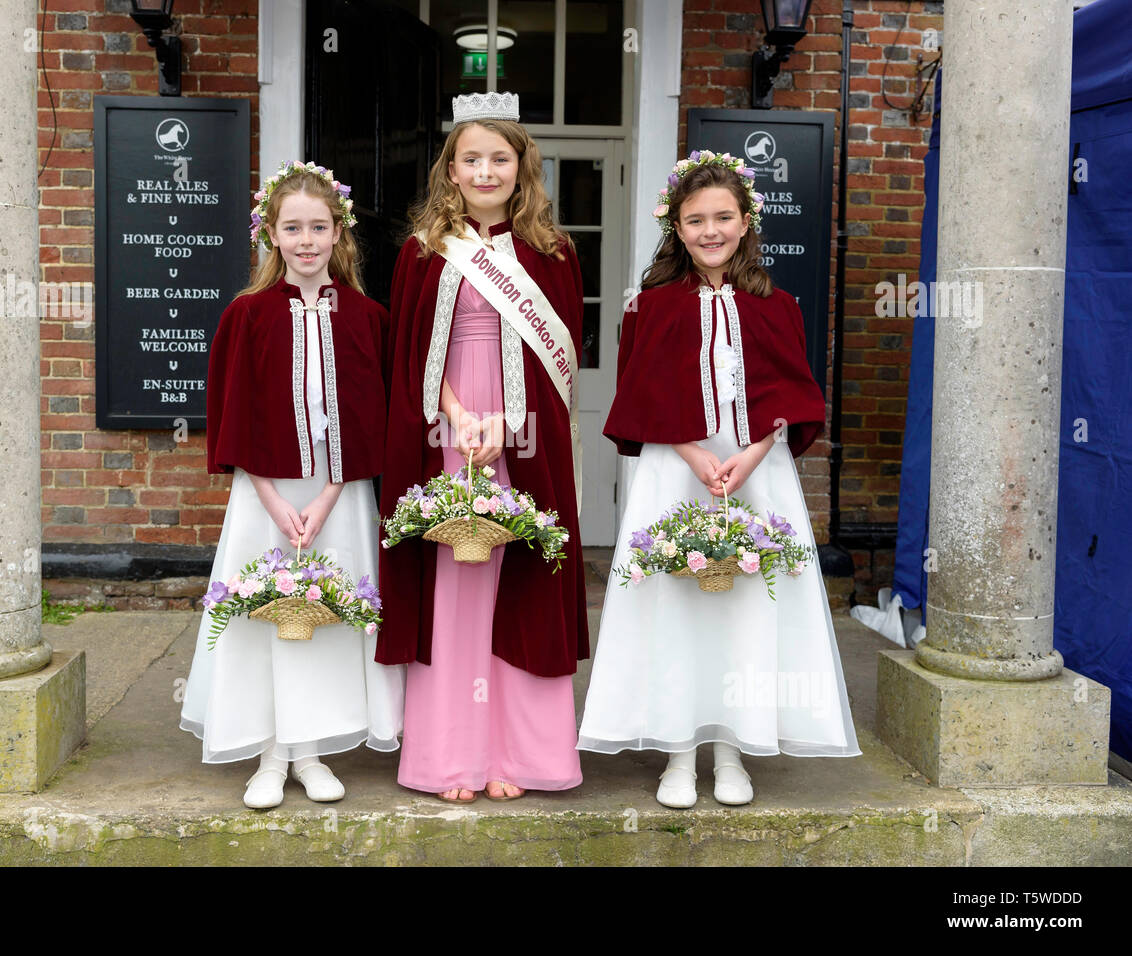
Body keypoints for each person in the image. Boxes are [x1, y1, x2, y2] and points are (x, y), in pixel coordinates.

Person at [577, 150, 861, 808]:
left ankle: (735, 746)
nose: (710, 231)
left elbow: (795, 393)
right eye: (695, 219)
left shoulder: (778, 305)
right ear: (676, 226)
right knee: (676, 603)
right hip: (675, 472)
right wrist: (691, 451)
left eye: (723, 217)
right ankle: (678, 750)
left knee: (745, 606)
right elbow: (640, 395)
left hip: (755, 471)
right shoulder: (650, 306)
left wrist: (757, 448)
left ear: (745, 222)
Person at [377, 92, 588, 803]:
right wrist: (458, 415)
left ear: (522, 167)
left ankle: (515, 758)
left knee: (520, 577)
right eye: (473, 158)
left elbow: (568, 357)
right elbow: (407, 356)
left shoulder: (555, 253)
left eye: (500, 157)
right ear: (453, 169)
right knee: (457, 579)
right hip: (449, 428)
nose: (486, 170)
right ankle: (450, 760)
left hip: (524, 437)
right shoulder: (421, 251)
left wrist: (512, 421)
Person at [180, 161, 406, 809]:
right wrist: (275, 499)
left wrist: (330, 492)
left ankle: (310, 751)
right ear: (271, 236)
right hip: (266, 495)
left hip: (338, 498)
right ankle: (269, 752)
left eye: (318, 227)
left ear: (340, 233)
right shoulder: (245, 317)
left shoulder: (367, 318)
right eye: (292, 228)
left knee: (329, 616)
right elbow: (231, 413)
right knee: (265, 617)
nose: (306, 240)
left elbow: (372, 415)